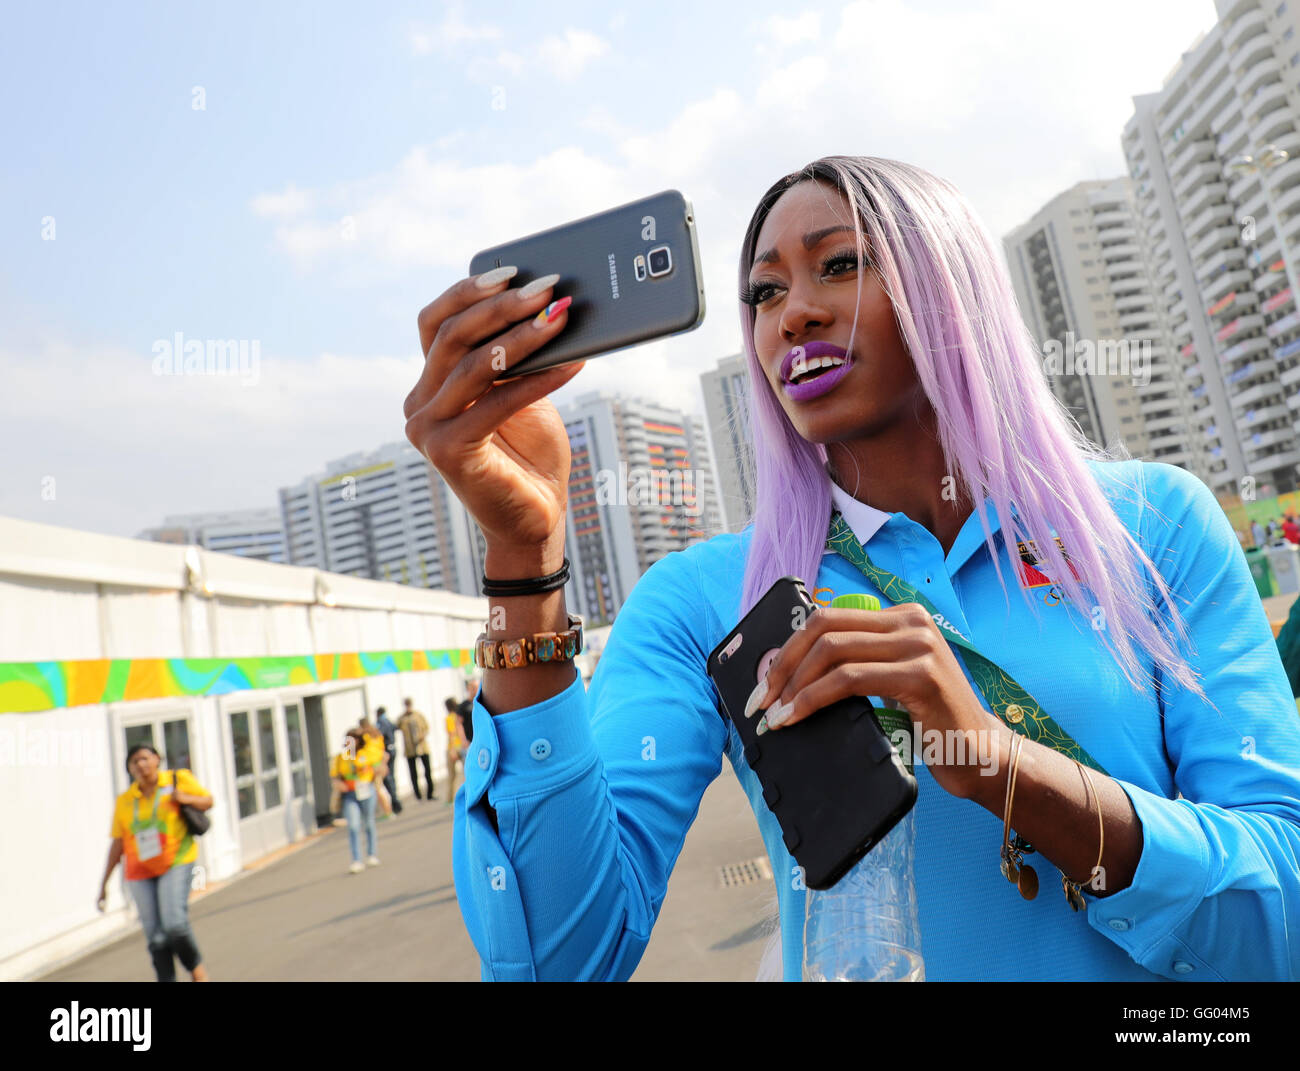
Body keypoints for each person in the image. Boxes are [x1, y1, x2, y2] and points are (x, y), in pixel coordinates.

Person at [404, 155, 1300, 981]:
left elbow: (1280, 910)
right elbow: (565, 959)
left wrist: (996, 763)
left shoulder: (1150, 524)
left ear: (954, 290)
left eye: (840, 264)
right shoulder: (704, 600)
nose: (793, 313)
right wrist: (525, 564)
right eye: (763, 291)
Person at [98, 744, 214, 981]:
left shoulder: (177, 779)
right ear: (130, 769)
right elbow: (118, 843)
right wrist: (104, 884)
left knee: (174, 924)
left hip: (176, 861)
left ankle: (196, 970)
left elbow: (208, 801)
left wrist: (184, 797)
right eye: (134, 762)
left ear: (157, 759)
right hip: (139, 871)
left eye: (144, 758)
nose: (140, 765)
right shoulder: (125, 800)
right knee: (156, 936)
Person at [331, 728, 383, 873]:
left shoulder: (367, 753)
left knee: (368, 822)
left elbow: (380, 765)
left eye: (353, 739)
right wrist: (338, 783)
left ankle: (371, 854)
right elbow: (335, 775)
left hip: (366, 791)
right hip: (350, 794)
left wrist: (375, 771)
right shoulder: (343, 757)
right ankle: (356, 860)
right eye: (348, 740)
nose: (350, 743)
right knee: (353, 826)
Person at [397, 698, 435, 800]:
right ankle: (418, 795)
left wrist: (423, 735)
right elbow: (397, 727)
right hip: (410, 750)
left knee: (427, 771)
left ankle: (430, 793)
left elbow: (427, 727)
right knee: (413, 773)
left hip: (422, 747)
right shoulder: (402, 718)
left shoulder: (418, 715)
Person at [375, 706, 403, 813]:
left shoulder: (380, 723)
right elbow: (396, 727)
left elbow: (380, 734)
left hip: (386, 752)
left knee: (388, 777)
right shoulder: (387, 721)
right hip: (392, 749)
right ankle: (395, 800)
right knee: (391, 776)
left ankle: (395, 802)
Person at [443, 698, 468, 803]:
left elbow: (452, 734)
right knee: (467, 772)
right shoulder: (459, 716)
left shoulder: (449, 718)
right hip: (463, 746)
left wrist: (452, 750)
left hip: (453, 747)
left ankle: (450, 799)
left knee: (452, 775)